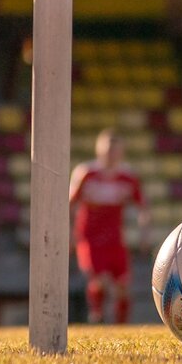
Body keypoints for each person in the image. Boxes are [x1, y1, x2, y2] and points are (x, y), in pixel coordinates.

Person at [68, 130, 145, 324]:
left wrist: (144, 232)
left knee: (123, 286)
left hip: (115, 239)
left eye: (115, 149)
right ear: (99, 150)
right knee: (99, 280)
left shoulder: (128, 177)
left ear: (121, 152)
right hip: (90, 238)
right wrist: (69, 233)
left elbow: (143, 206)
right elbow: (70, 204)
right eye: (107, 149)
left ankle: (121, 326)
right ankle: (97, 316)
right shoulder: (86, 173)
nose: (111, 154)